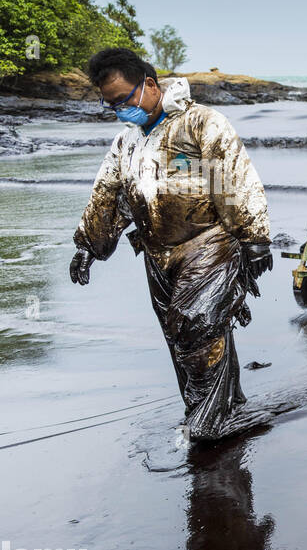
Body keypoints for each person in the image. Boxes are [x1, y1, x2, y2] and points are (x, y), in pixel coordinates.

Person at [69, 48, 273, 442]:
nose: (119, 111)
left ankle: (208, 421)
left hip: (208, 243)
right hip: (158, 252)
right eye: (110, 106)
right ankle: (218, 407)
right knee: (179, 335)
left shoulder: (201, 124)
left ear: (148, 85)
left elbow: (233, 182)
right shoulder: (127, 142)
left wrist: (255, 239)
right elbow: (110, 194)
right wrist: (88, 247)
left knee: (196, 326)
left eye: (124, 101)